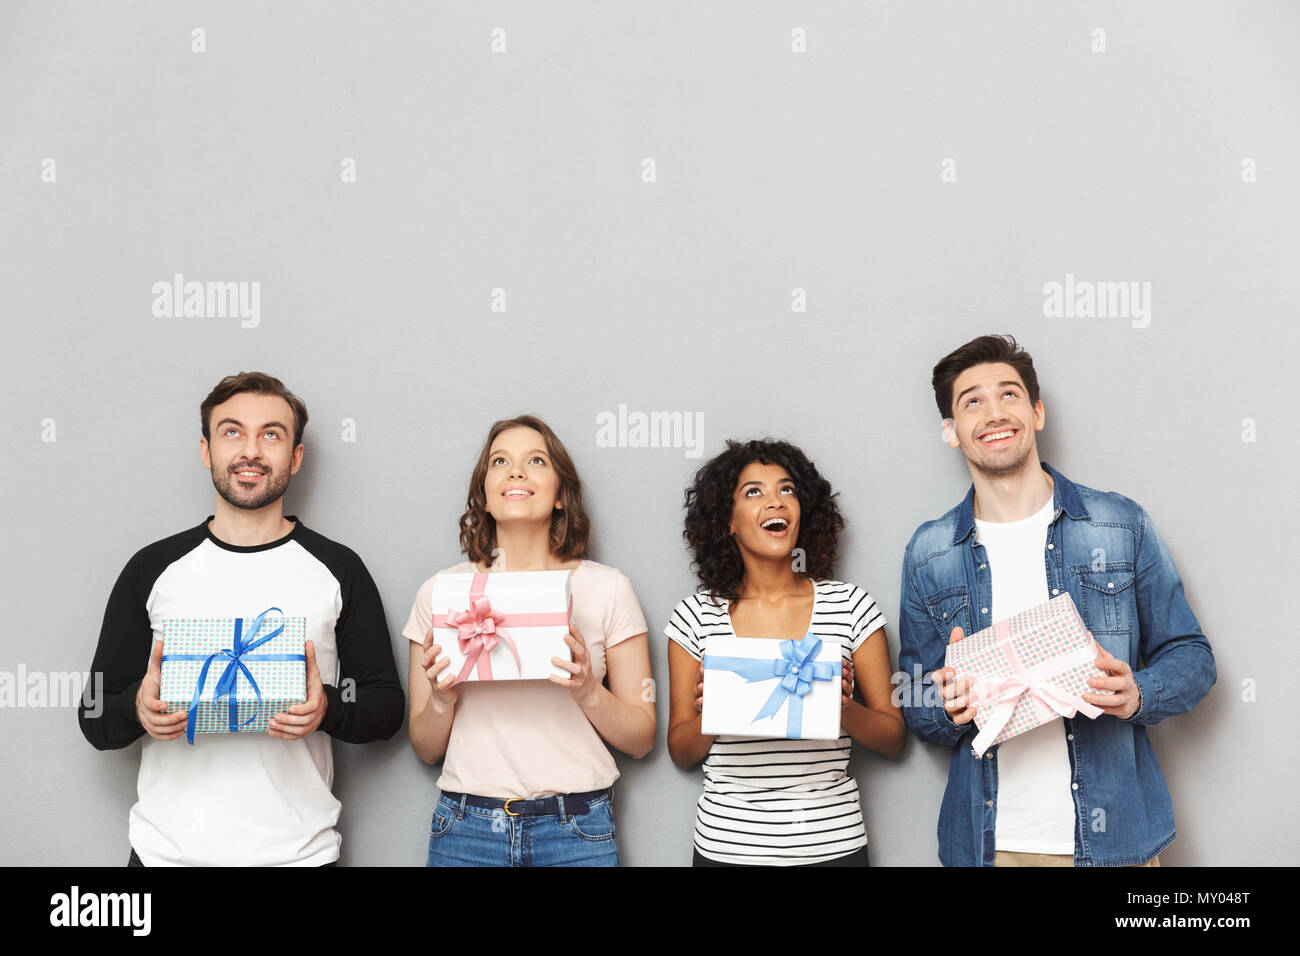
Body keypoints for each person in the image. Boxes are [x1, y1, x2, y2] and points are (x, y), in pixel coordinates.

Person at [898, 334, 1216, 867]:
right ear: (951, 431)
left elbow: (1194, 658)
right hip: (989, 848)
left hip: (1117, 844)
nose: (994, 412)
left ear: (1037, 412)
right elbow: (911, 699)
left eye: (1010, 394)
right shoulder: (929, 553)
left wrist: (1137, 691)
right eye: (971, 400)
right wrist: (945, 707)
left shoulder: (1120, 524)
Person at [78, 371, 405, 866]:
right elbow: (94, 715)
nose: (250, 450)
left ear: (294, 457)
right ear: (207, 450)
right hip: (166, 856)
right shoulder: (152, 569)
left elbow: (386, 708)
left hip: (298, 857)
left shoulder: (339, 570)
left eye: (271, 434)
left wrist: (328, 711)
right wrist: (136, 709)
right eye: (232, 432)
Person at [405, 415, 655, 867]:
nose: (516, 471)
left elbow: (641, 738)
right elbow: (424, 748)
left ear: (560, 495)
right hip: (466, 828)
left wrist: (587, 691)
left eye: (535, 460)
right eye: (500, 461)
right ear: (483, 493)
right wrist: (442, 700)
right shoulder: (441, 593)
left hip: (577, 829)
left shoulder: (609, 587)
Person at [665, 439, 905, 867]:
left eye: (787, 490)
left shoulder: (851, 605)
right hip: (727, 847)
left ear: (803, 513)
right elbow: (681, 751)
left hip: (833, 845)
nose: (775, 501)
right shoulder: (695, 616)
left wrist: (843, 708)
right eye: (753, 492)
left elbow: (893, 739)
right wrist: (716, 710)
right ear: (729, 520)